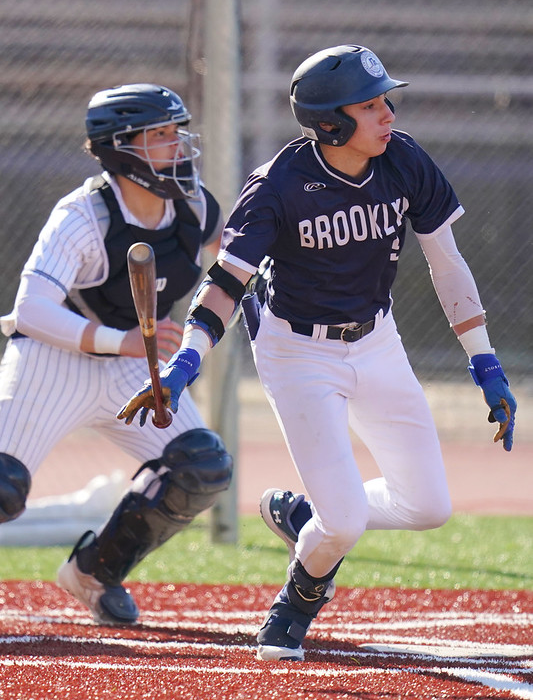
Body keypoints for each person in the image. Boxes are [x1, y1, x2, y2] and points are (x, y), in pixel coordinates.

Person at [118, 45, 517, 660]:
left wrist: (484, 360)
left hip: (378, 341)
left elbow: (447, 259)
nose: (387, 113)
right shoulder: (279, 185)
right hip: (298, 352)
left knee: (429, 506)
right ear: (329, 122)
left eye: (386, 100)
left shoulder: (403, 159)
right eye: (369, 104)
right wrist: (186, 362)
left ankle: (312, 515)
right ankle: (296, 603)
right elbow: (226, 284)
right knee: (347, 522)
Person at [0, 83, 233, 625]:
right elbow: (31, 309)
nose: (177, 145)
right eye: (160, 135)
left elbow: (234, 257)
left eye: (178, 132)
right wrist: (119, 341)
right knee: (3, 487)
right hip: (53, 359)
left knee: (201, 467)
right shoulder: (84, 215)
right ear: (121, 147)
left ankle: (93, 574)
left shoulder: (194, 204)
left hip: (133, 365)